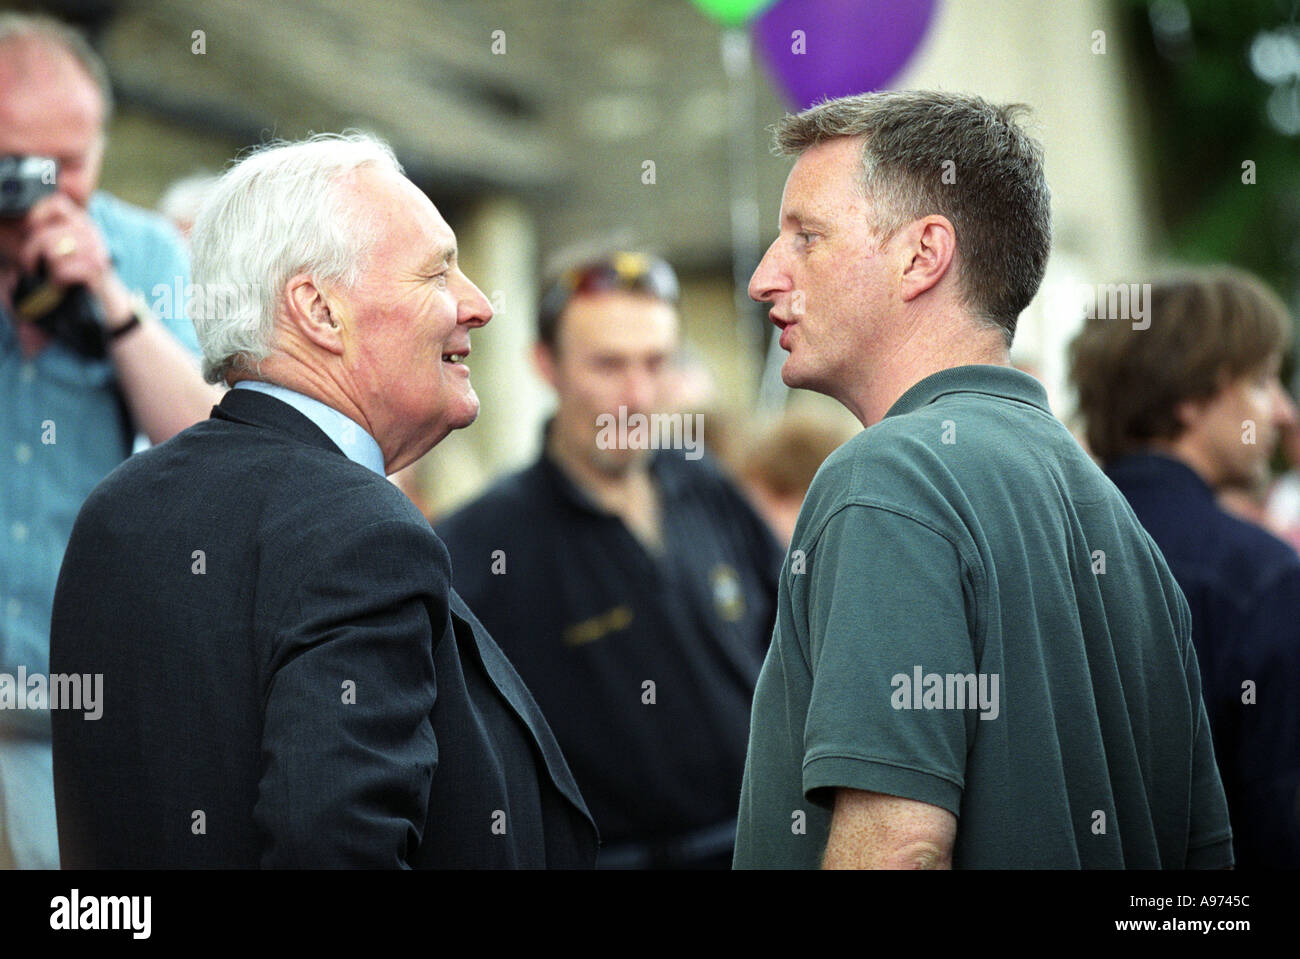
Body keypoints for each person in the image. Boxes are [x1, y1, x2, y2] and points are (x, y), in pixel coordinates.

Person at [50, 133, 597, 868]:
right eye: (437, 273)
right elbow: (335, 848)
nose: (477, 305)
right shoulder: (358, 530)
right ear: (317, 309)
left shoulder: (116, 507)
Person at [734, 90, 1234, 869]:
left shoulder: (892, 477)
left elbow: (899, 850)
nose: (767, 276)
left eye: (806, 237)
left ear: (922, 255)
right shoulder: (1113, 514)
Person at [436, 251, 782, 868]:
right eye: (608, 365)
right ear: (546, 365)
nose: (637, 394)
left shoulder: (712, 491)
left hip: (757, 846)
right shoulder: (481, 546)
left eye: (656, 363)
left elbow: (794, 644)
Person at [0, 13, 217, 870]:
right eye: (23, 160)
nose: (50, 187)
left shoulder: (143, 249)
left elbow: (203, 441)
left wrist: (109, 300)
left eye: (75, 161)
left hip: (79, 708)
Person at [1069, 267, 1300, 868]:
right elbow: (1281, 823)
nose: (1281, 411)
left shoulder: (1038, 542)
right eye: (1263, 382)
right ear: (1192, 398)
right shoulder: (1257, 575)